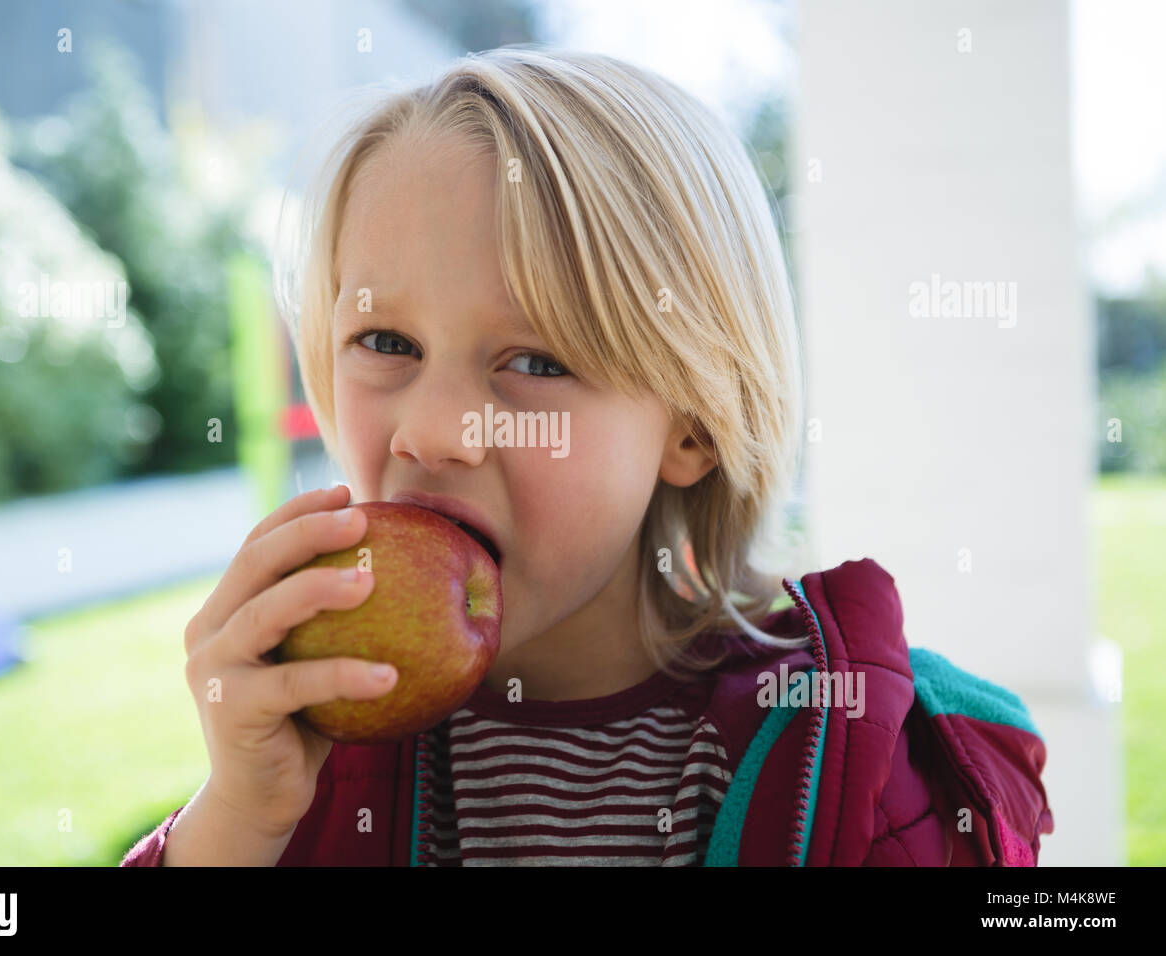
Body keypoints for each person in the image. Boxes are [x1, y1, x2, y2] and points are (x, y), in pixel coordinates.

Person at [122, 46, 1052, 867]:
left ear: (691, 426)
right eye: (386, 343)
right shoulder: (315, 733)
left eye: (535, 361)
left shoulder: (855, 768)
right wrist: (238, 820)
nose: (434, 431)